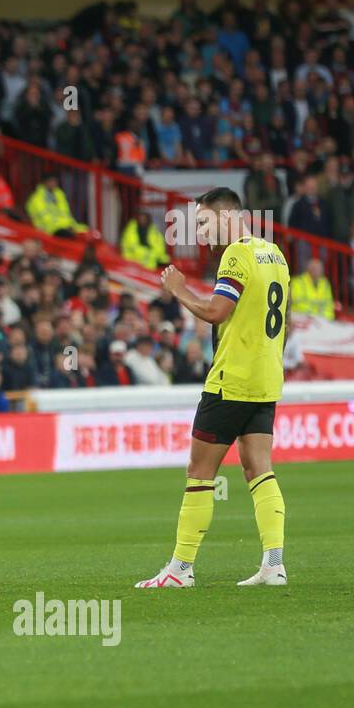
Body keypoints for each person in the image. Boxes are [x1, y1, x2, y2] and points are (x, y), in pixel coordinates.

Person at [137, 187, 291, 589]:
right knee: (259, 468)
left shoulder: (236, 254)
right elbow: (284, 322)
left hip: (231, 381)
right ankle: (274, 564)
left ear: (227, 217)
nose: (201, 233)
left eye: (204, 222)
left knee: (199, 472)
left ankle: (180, 569)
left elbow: (215, 311)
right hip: (265, 379)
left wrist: (178, 290)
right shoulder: (274, 254)